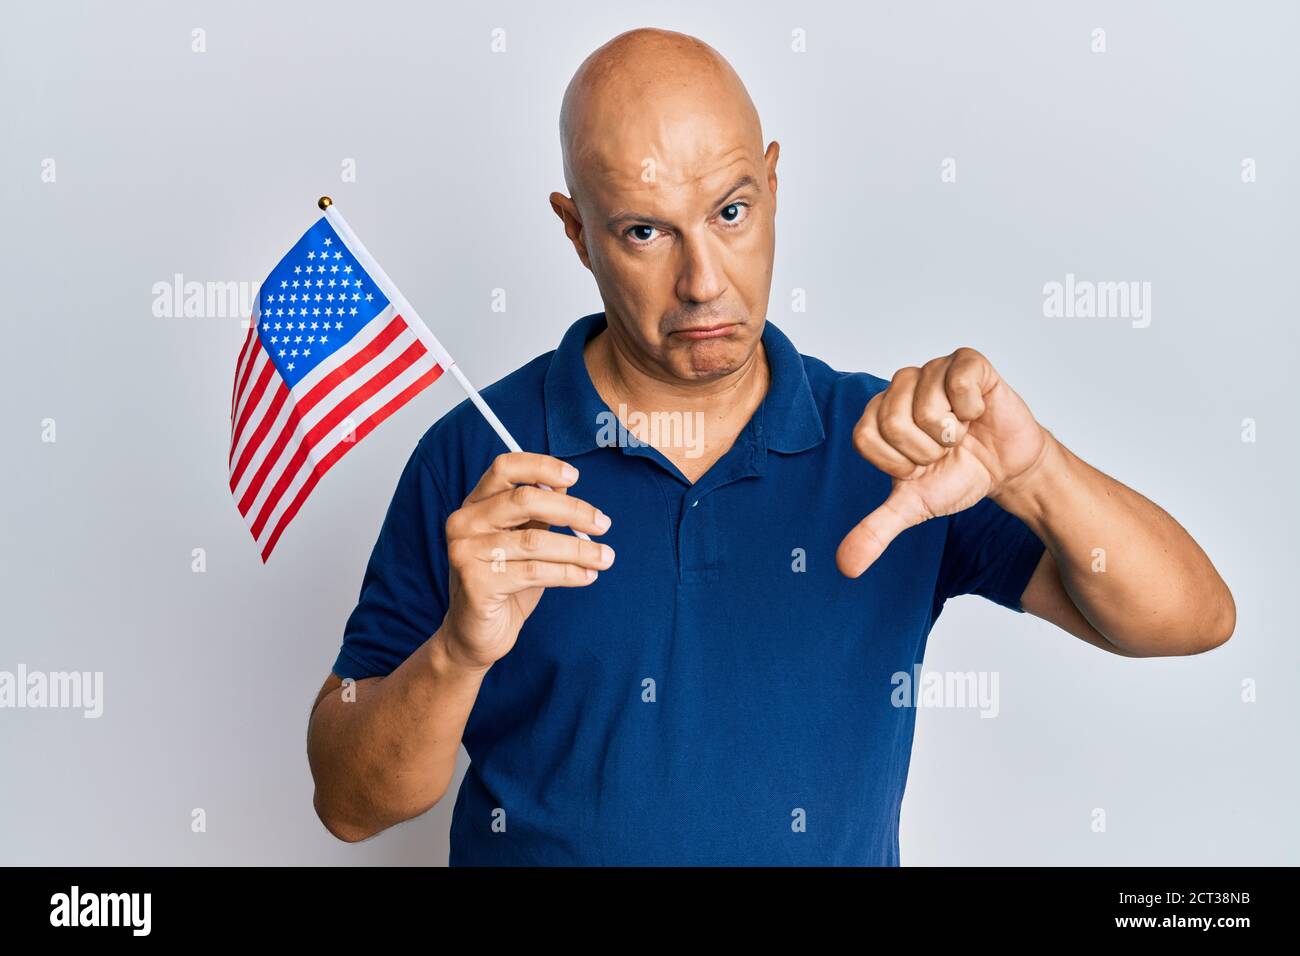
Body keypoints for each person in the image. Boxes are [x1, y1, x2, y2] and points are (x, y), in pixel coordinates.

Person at [306, 28, 1235, 865]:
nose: (703, 280)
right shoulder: (481, 457)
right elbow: (350, 805)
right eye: (643, 231)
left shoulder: (898, 448)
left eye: (732, 211)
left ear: (775, 185)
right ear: (577, 232)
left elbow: (1194, 621)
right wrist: (458, 654)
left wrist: (1038, 476)